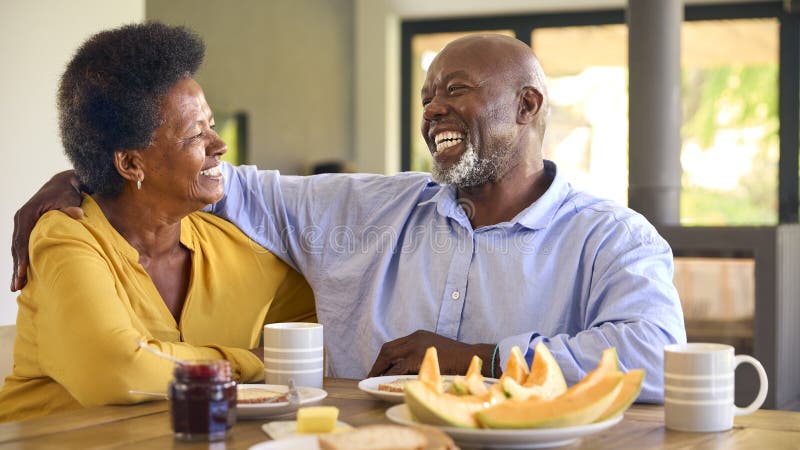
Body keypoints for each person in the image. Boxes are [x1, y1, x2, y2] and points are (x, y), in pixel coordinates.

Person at [11, 34, 685, 403]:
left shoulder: (611, 238)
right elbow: (202, 178)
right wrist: (85, 174)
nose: (434, 110)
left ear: (529, 106)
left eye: (456, 90)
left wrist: (483, 358)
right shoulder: (365, 208)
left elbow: (656, 357)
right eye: (427, 96)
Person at [0, 23, 315, 422]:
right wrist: (250, 363)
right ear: (131, 163)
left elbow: (319, 324)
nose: (220, 146)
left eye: (212, 125)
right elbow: (118, 370)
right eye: (194, 136)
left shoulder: (234, 247)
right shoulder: (65, 236)